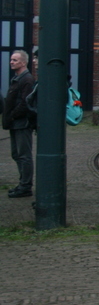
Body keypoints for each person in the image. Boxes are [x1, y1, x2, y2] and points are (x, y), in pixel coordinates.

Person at [4, 49, 35, 197]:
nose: (11, 62)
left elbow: (25, 103)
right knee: (16, 154)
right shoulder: (17, 79)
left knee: (24, 155)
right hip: (15, 123)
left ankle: (25, 186)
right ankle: (22, 183)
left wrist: (11, 116)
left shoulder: (27, 80)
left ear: (23, 62)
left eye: (15, 60)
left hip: (22, 123)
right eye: (11, 59)